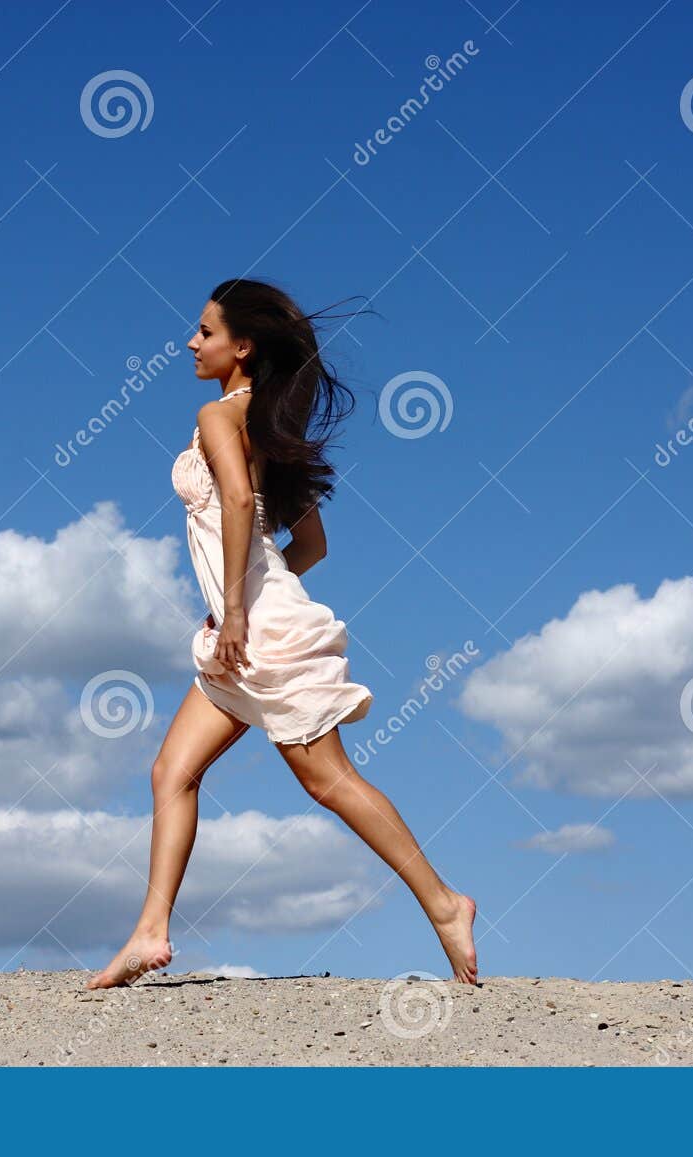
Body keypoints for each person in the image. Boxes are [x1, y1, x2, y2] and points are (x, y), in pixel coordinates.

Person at [86, 278, 477, 989]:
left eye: (204, 332)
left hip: (257, 630)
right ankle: (150, 931)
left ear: (243, 347)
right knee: (172, 772)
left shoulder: (217, 417)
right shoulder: (269, 431)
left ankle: (447, 903)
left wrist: (237, 607)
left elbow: (237, 499)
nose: (189, 343)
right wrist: (236, 600)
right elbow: (311, 546)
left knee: (329, 781)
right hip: (248, 624)